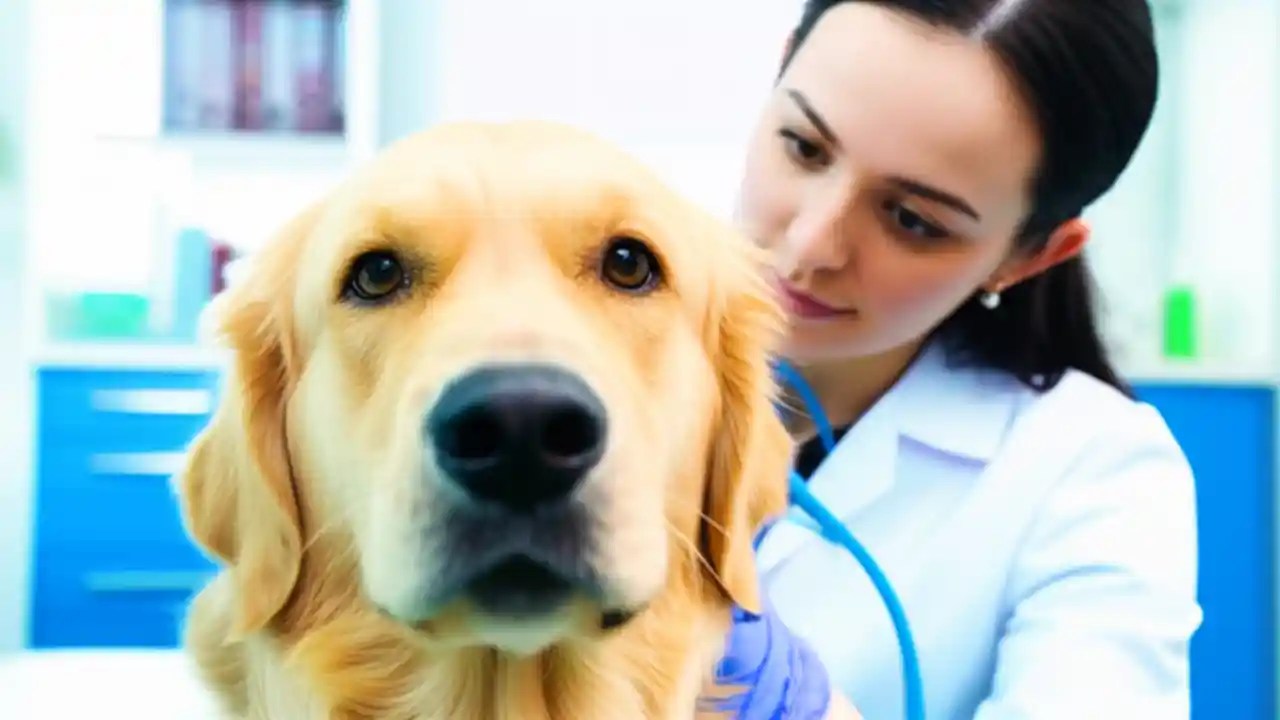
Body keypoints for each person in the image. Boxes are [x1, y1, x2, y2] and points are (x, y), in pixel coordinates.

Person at [696, 1, 1202, 719]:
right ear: (778, 73)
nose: (810, 247)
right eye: (804, 148)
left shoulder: (1089, 472)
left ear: (1030, 257)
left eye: (912, 221)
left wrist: (804, 711)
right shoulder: (572, 343)